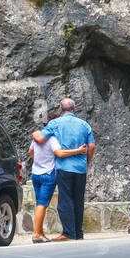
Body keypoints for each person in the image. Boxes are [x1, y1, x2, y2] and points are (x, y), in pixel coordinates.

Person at [36, 98, 94, 241]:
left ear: (61, 110)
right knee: (78, 199)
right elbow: (91, 146)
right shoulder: (84, 125)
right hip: (80, 168)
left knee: (65, 200)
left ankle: (68, 233)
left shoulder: (55, 123)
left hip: (64, 167)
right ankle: (78, 233)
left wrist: (35, 134)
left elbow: (41, 139)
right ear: (74, 109)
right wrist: (86, 162)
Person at [28, 110, 62, 243]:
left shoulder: (38, 137)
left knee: (39, 204)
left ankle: (40, 232)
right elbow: (58, 153)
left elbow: (30, 152)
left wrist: (39, 161)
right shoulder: (52, 139)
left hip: (36, 173)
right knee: (42, 204)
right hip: (48, 174)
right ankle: (36, 234)